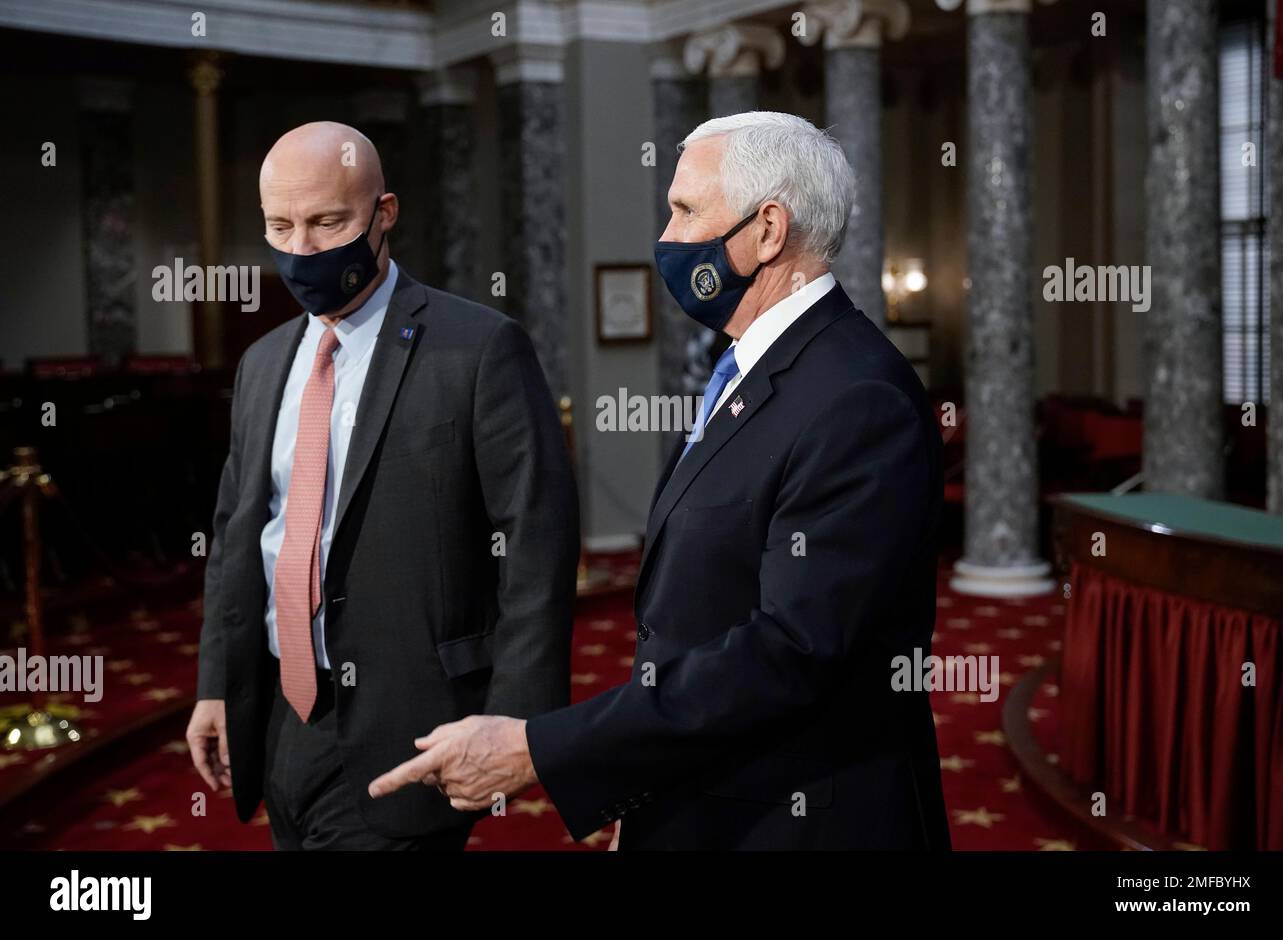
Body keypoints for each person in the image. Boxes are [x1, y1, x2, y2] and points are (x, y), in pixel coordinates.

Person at [370, 110, 950, 850]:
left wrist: (547, 751)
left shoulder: (857, 396)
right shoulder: (752, 365)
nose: (668, 239)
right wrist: (641, 788)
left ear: (767, 229)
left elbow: (790, 652)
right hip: (708, 795)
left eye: (684, 211)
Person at [186, 121, 578, 850]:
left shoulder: (479, 348)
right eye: (281, 226)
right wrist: (216, 682)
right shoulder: (263, 363)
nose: (301, 250)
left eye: (328, 222)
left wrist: (520, 722)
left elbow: (536, 539)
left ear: (383, 213)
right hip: (280, 716)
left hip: (411, 722)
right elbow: (240, 531)